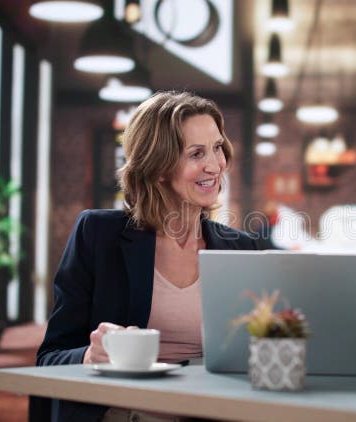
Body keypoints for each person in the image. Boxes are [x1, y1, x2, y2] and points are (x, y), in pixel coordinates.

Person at [36, 92, 260, 421]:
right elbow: (49, 357)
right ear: (158, 168)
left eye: (217, 148)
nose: (215, 165)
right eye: (196, 153)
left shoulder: (240, 247)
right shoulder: (98, 234)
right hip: (126, 412)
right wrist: (89, 356)